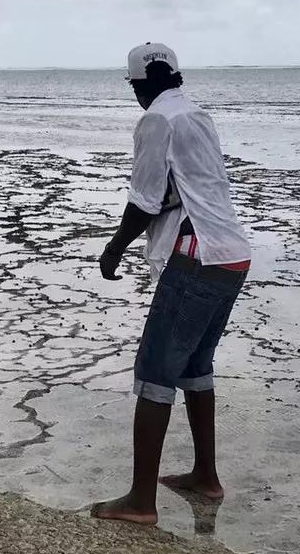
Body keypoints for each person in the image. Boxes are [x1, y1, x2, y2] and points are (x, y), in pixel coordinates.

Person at [91, 43, 252, 526]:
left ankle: (141, 501)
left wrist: (114, 248)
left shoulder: (157, 120)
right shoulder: (197, 115)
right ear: (176, 76)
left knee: (155, 373)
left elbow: (144, 199)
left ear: (140, 84)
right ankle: (205, 474)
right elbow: (185, 186)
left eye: (135, 87)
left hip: (194, 255)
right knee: (196, 368)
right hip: (232, 252)